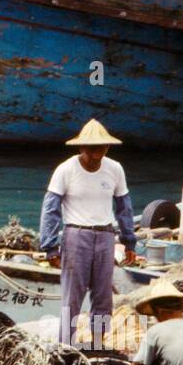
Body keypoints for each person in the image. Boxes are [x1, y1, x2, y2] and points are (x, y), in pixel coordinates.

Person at [38, 119, 138, 346]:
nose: (96, 153)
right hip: (76, 236)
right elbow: (50, 210)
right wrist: (50, 246)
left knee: (103, 295)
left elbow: (124, 208)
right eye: (91, 148)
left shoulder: (115, 169)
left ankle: (97, 343)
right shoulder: (65, 170)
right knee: (72, 296)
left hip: (105, 236)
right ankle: (66, 345)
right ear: (81, 148)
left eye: (101, 148)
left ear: (107, 147)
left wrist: (129, 241)